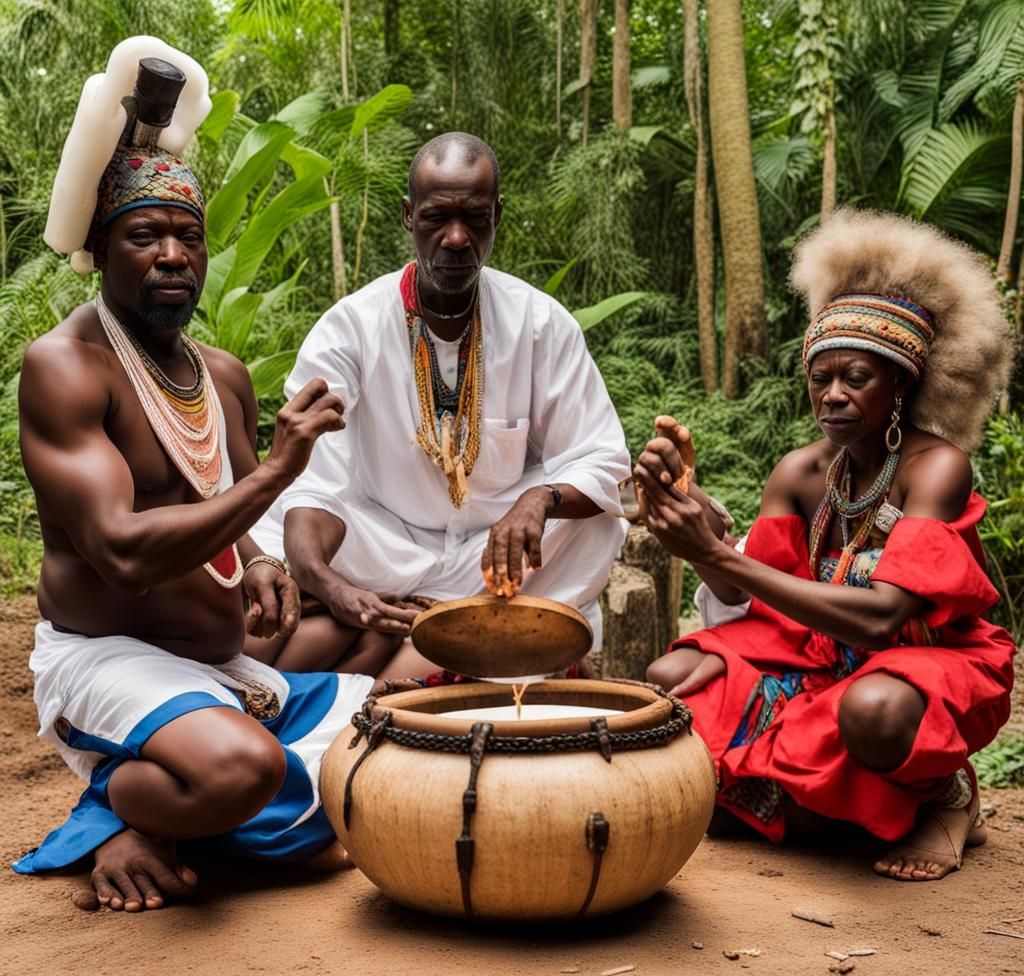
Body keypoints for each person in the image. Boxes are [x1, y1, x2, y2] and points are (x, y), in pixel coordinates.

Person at [13, 42, 389, 912]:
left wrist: (260, 563)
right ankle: (119, 810)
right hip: (107, 657)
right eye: (146, 236)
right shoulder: (68, 367)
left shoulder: (217, 374)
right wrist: (278, 476)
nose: (174, 255)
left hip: (216, 662)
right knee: (250, 770)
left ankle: (217, 806)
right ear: (102, 250)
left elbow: (231, 508)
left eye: (190, 237)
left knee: (386, 707)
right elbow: (122, 553)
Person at [636, 209, 1015, 881]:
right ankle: (838, 807)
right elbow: (746, 595)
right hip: (819, 656)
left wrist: (723, 555)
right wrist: (689, 530)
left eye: (857, 378)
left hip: (923, 666)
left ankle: (948, 797)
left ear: (901, 382)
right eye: (820, 378)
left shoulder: (937, 469)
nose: (833, 395)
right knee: (674, 684)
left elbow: (883, 615)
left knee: (872, 711)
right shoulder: (802, 472)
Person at [250, 133, 631, 678]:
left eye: (475, 219)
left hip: (494, 557)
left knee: (597, 524)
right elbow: (316, 485)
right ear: (408, 217)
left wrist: (537, 500)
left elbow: (602, 458)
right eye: (436, 219)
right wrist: (337, 591)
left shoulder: (540, 323)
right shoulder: (351, 327)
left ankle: (460, 636)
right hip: (384, 546)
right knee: (284, 531)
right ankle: (497, 642)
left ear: (497, 216)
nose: (456, 239)